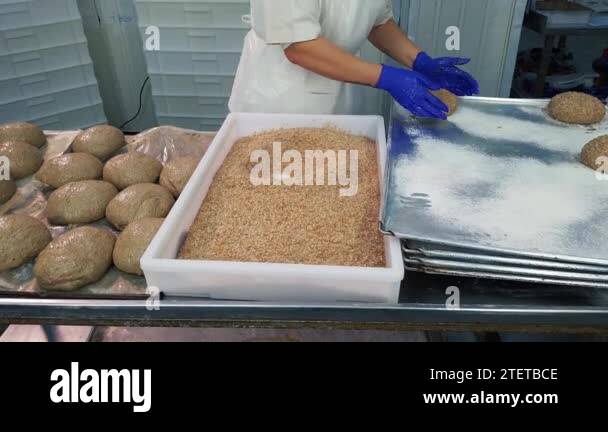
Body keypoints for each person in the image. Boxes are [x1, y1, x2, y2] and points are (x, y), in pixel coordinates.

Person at [229, 0, 479, 120]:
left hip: (341, 81)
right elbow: (299, 46)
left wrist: (419, 61)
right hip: (284, 96)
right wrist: (386, 77)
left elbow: (377, 20)